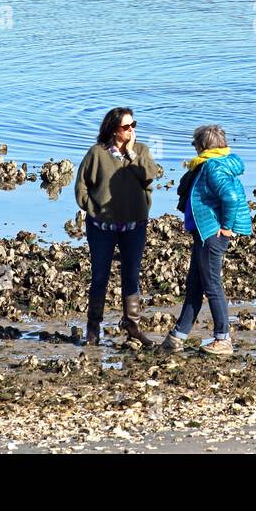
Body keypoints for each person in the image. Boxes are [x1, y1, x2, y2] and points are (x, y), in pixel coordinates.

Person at [74, 107, 164, 347]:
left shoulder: (142, 151)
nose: (131, 129)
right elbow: (81, 185)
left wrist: (133, 154)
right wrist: (93, 207)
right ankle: (93, 328)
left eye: (133, 124)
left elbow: (149, 176)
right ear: (114, 130)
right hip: (101, 227)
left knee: (131, 276)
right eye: (126, 127)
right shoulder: (97, 153)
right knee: (100, 276)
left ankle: (131, 325)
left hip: (135, 225)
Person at [161, 125, 253, 357]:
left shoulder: (212, 166)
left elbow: (230, 197)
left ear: (203, 146)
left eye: (195, 145)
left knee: (212, 285)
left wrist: (227, 228)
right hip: (203, 232)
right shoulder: (214, 163)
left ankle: (223, 339)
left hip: (212, 233)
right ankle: (177, 336)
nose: (194, 149)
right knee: (194, 284)